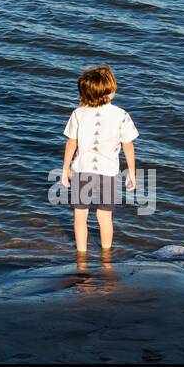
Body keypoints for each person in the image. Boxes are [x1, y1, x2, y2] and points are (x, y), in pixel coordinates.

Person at [59, 65, 137, 252]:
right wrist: (131, 172)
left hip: (82, 170)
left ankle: (81, 254)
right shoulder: (121, 115)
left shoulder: (78, 114)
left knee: (80, 216)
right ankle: (106, 253)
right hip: (108, 173)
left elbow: (71, 143)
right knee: (104, 217)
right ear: (110, 92)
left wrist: (65, 168)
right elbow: (128, 145)